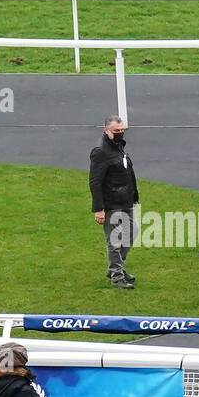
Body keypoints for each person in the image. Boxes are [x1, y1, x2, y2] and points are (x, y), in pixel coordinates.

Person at [88, 115, 139, 289]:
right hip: (112, 204)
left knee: (132, 232)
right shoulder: (100, 151)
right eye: (117, 131)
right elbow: (95, 181)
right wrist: (99, 209)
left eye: (122, 130)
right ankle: (117, 276)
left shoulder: (118, 147)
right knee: (115, 240)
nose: (121, 133)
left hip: (125, 201)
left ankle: (116, 268)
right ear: (106, 130)